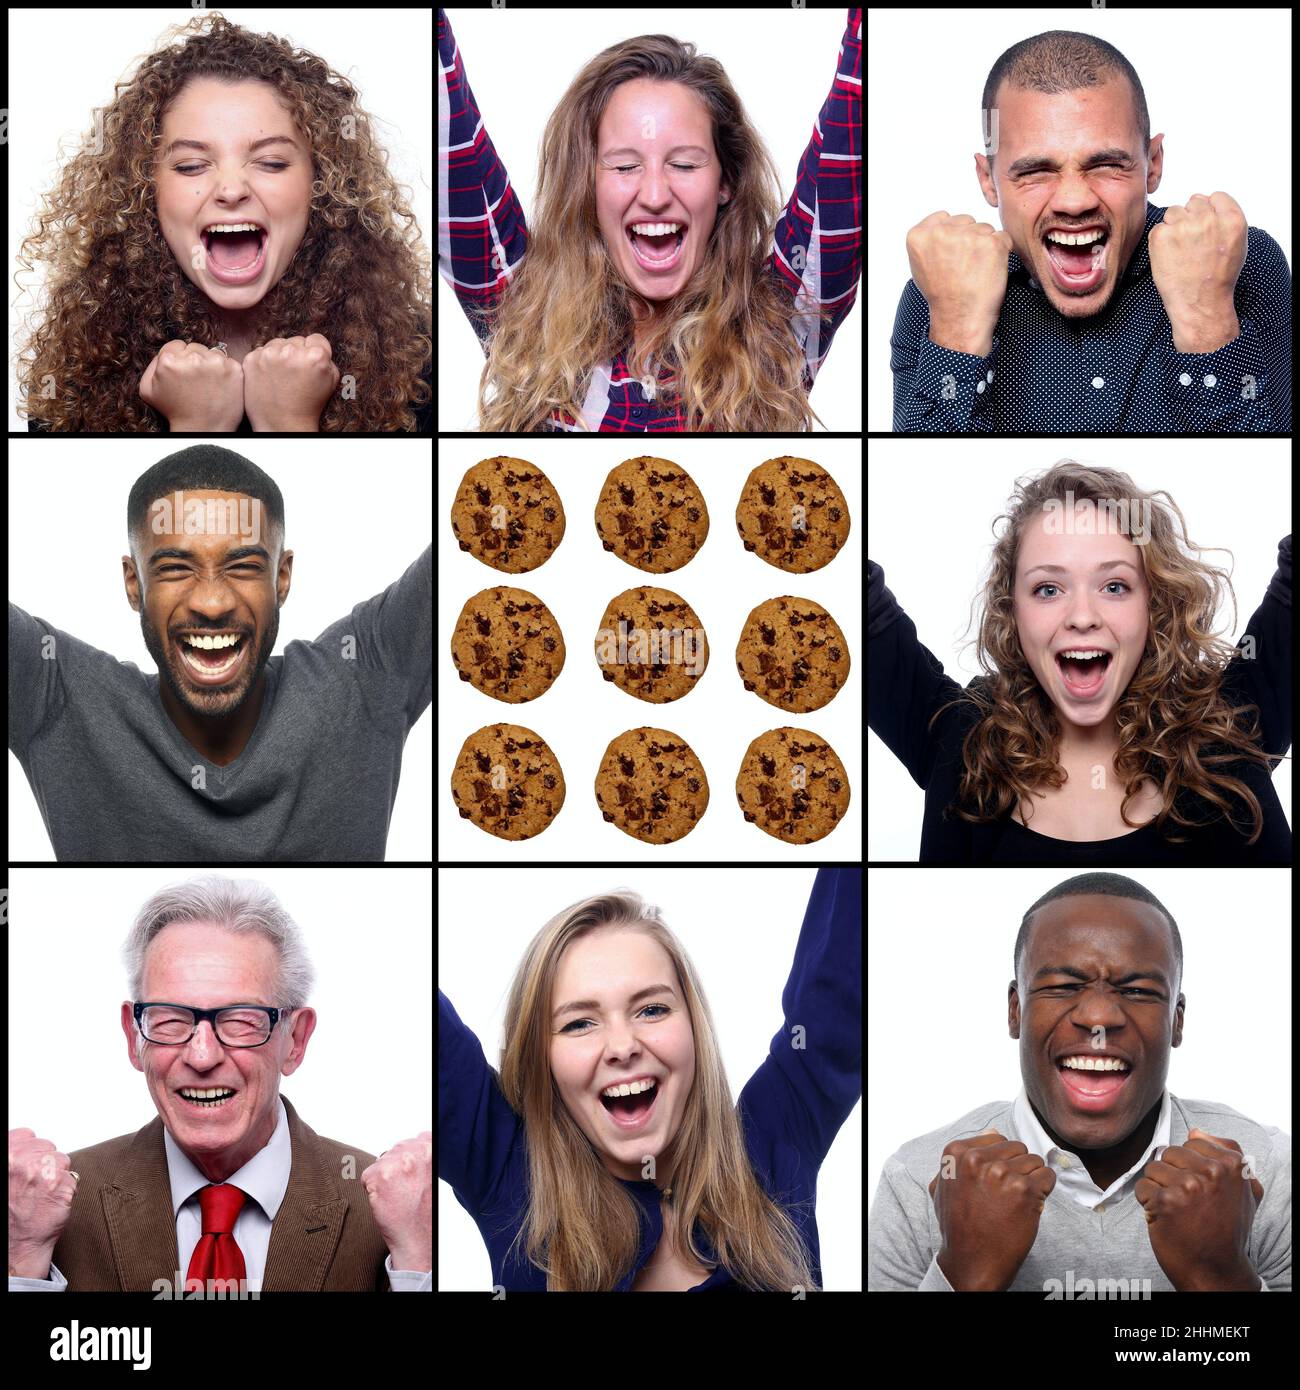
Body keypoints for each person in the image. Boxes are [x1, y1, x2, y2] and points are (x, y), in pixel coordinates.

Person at [437, 7, 861, 431]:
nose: (655, 196)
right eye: (624, 167)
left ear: (725, 180)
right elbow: (450, 128)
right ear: (588, 183)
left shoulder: (781, 326)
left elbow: (850, 118)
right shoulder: (528, 313)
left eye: (685, 165)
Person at [868, 874, 1290, 1292]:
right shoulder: (919, 1179)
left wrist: (1219, 1279)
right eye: (1064, 986)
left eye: (1139, 991)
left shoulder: (1267, 1171)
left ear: (1177, 1020)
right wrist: (966, 1277)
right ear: (1016, 1010)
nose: (1100, 1018)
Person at [439, 870, 860, 1290]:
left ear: (694, 1027)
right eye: (579, 1023)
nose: (622, 1046)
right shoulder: (509, 1174)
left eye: (652, 1010)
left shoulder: (772, 1144)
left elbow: (843, 972)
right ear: (541, 1058)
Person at [7, 875, 431, 1292]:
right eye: (171, 1020)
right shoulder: (41, 1207)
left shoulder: (395, 1215)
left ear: (295, 1040)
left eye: (241, 1021)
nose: (202, 1056)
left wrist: (419, 1266)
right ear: (133, 1036)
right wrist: (21, 1261)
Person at [7, 446, 432, 861]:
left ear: (281, 580)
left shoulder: (366, 675)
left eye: (243, 566)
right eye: (175, 568)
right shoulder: (54, 694)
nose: (211, 603)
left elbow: (482, 512)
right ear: (134, 584)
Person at [17, 13, 431, 432]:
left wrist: (290, 421)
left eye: (271, 162)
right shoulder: (80, 370)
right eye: (192, 166)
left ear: (321, 186)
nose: (231, 190)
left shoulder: (411, 363)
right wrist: (197, 424)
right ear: (147, 191)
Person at [868, 460, 1291, 862]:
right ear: (1012, 609)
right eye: (1049, 589)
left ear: (1155, 603)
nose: (1083, 617)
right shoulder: (959, 742)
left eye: (1114, 586)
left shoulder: (1230, 730)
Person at [891, 30, 1291, 432]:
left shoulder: (1240, 262)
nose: (1074, 200)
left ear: (1153, 163)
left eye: (1105, 165)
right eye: (1035, 171)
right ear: (988, 180)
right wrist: (957, 329)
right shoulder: (936, 294)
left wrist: (1207, 321)